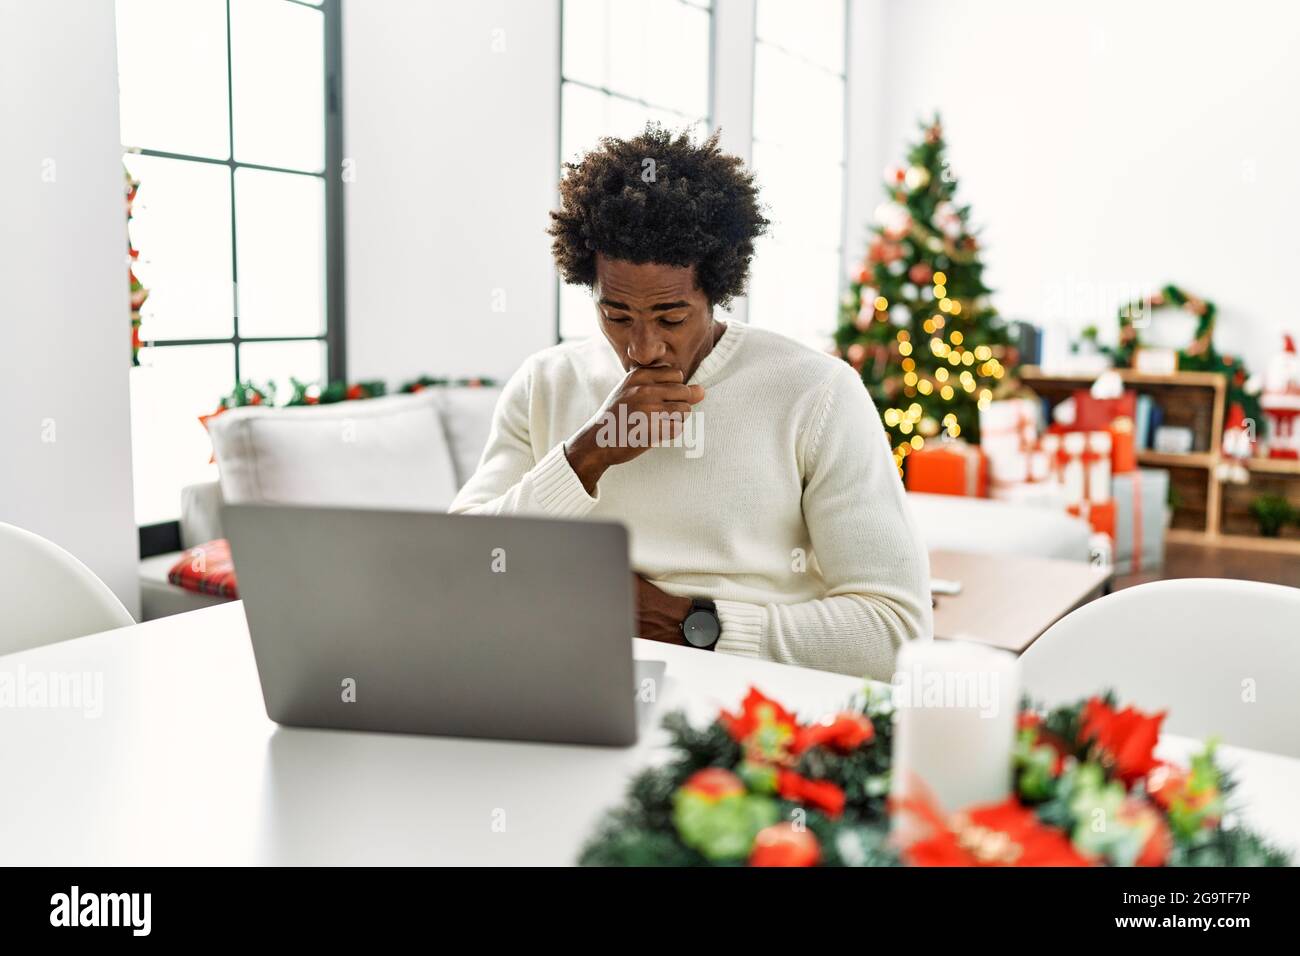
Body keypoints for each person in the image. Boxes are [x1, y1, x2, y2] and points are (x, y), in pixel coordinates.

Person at [450, 125, 931, 679]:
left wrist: (688, 625)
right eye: (617, 315)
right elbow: (463, 573)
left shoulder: (816, 393)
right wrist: (587, 456)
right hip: (566, 678)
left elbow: (898, 632)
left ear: (717, 290)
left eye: (671, 317)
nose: (642, 347)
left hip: (753, 698)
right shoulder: (545, 383)